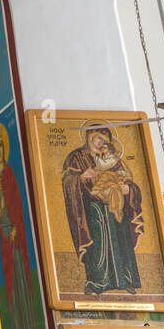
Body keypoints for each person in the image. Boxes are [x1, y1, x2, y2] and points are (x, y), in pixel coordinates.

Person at [61, 126, 142, 296]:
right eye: (98, 138)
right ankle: (97, 282)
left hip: (115, 206)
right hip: (92, 208)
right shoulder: (77, 157)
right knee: (99, 244)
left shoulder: (114, 159)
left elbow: (128, 179)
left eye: (105, 140)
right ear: (89, 138)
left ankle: (126, 279)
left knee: (121, 242)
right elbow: (68, 181)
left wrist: (128, 189)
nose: (101, 143)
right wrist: (82, 177)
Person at [0, 125, 39, 329]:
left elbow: (18, 205)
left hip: (17, 236)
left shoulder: (9, 173)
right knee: (9, 286)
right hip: (5, 239)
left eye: (1, 148)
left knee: (22, 282)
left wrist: (17, 226)